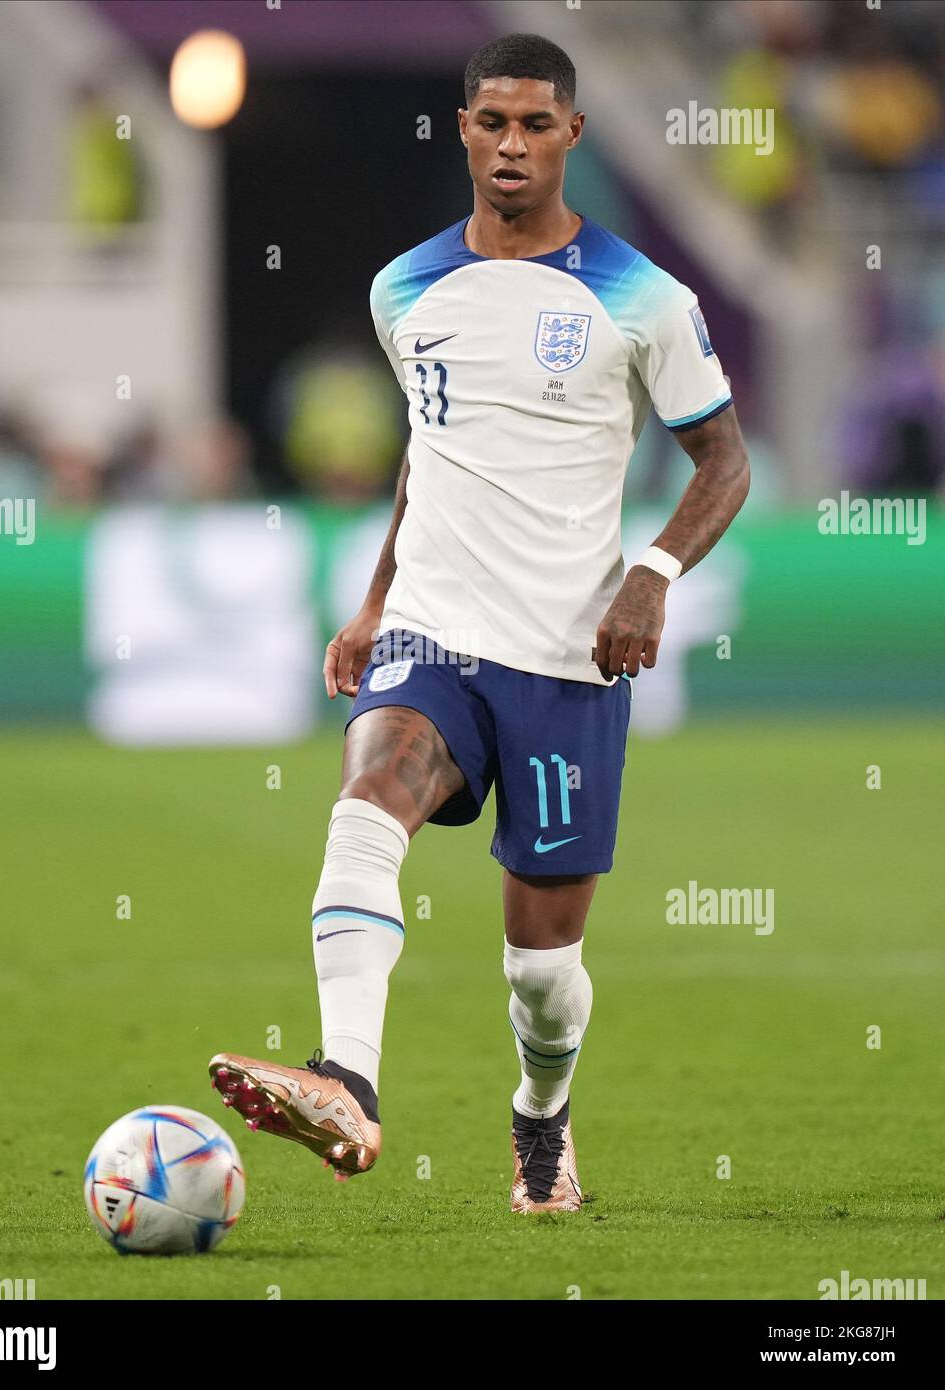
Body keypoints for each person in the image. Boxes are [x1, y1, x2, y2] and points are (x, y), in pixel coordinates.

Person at [210, 33, 750, 1213]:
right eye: (491, 122)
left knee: (540, 974)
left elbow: (721, 459)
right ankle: (345, 1075)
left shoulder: (642, 299)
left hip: (567, 656)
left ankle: (540, 1120)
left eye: (535, 124)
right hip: (432, 631)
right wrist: (373, 599)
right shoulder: (401, 289)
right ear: (461, 129)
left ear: (570, 137)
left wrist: (651, 572)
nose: (511, 143)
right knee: (367, 797)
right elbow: (429, 450)